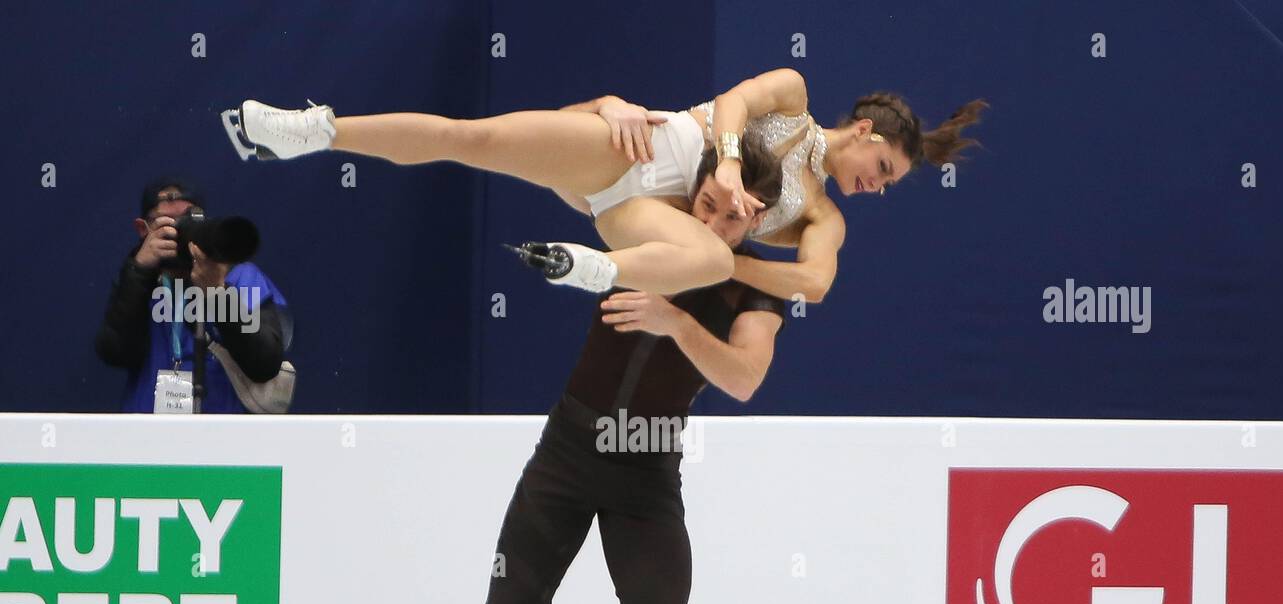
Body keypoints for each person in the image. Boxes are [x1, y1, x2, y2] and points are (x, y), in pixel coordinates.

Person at [417, 134, 786, 604]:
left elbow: (745, 378)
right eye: (705, 203)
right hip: (571, 449)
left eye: (730, 218)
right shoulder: (641, 216)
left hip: (648, 469)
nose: (711, 223)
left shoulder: (757, 283)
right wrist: (607, 110)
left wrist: (676, 321)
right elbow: (559, 158)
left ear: (757, 220)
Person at [221, 71, 985, 302]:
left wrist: (717, 242)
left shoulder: (820, 216)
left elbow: (814, 285)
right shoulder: (793, 93)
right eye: (882, 171)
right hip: (642, 145)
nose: (875, 187)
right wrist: (721, 163)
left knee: (716, 266)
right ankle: (313, 130)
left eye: (887, 185)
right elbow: (733, 106)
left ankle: (594, 272)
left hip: (647, 222)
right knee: (472, 138)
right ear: (866, 133)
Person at [96, 177, 294, 414]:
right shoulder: (138, 278)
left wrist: (217, 293)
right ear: (143, 229)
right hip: (148, 439)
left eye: (186, 222)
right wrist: (138, 271)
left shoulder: (241, 277)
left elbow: (264, 364)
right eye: (167, 224)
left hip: (223, 437)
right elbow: (115, 353)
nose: (178, 233)